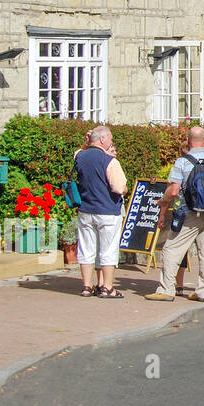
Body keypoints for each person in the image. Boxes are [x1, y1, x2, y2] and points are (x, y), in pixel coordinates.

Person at [145, 125, 204, 303]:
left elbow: (173, 191)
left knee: (171, 250)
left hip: (188, 215)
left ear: (188, 141)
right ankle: (203, 292)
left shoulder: (182, 162)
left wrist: (162, 201)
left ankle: (167, 290)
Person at [74, 126, 128, 298]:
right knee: (108, 249)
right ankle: (107, 287)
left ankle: (87, 286)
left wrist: (88, 140)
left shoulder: (79, 156)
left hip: (86, 209)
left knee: (86, 248)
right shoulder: (110, 161)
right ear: (103, 140)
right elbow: (119, 187)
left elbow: (80, 151)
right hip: (107, 210)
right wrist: (125, 189)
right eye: (110, 139)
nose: (111, 142)